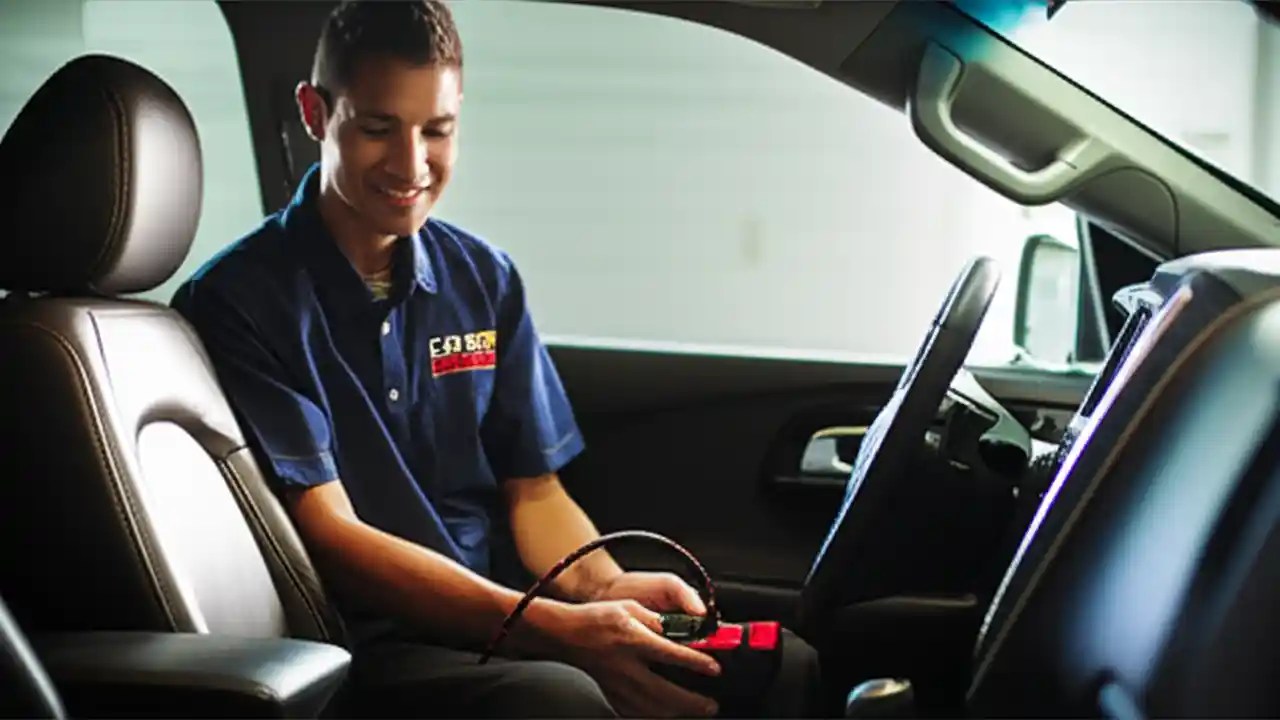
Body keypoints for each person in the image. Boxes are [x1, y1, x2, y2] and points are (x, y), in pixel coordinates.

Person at [172, 1, 819, 717]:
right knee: (560, 699)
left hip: (506, 616)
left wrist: (603, 593)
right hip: (370, 647)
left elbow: (532, 491)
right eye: (378, 127)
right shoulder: (240, 302)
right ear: (315, 113)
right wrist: (557, 631)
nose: (411, 164)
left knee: (777, 663)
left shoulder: (484, 278)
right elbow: (331, 536)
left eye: (437, 130)